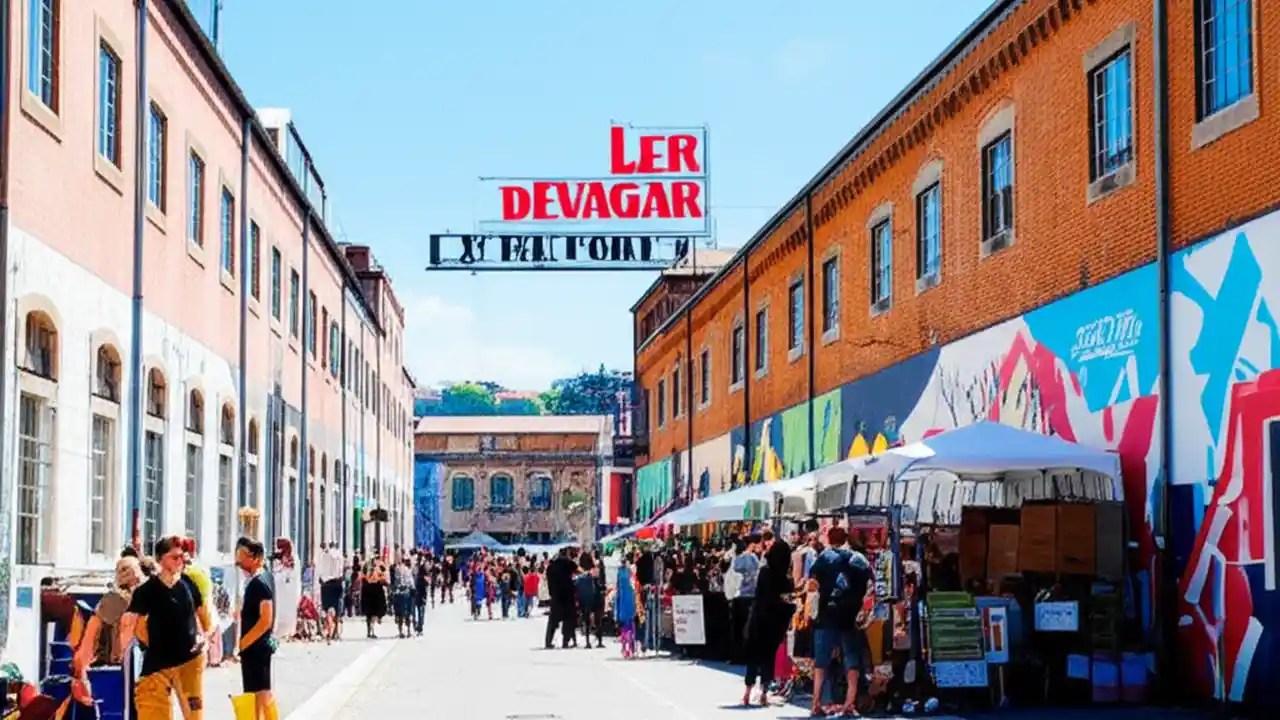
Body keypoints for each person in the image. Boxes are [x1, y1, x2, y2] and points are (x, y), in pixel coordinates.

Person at [126, 536, 208, 720]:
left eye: (182, 557)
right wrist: (157, 645)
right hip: (158, 664)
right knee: (153, 712)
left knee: (195, 714)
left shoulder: (188, 584)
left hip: (189, 661)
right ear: (160, 559)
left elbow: (203, 616)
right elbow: (138, 627)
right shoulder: (146, 591)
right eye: (174, 557)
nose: (180, 561)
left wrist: (205, 640)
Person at [808, 526, 874, 718]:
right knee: (851, 662)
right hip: (850, 618)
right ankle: (849, 704)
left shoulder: (824, 558)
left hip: (826, 615)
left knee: (821, 662)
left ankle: (816, 703)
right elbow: (871, 586)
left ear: (829, 539)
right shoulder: (859, 559)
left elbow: (812, 583)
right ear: (846, 539)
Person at [742, 535, 795, 707]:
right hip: (775, 621)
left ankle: (747, 692)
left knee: (753, 656)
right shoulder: (786, 578)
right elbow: (788, 599)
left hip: (759, 618)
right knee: (768, 657)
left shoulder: (764, 572)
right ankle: (764, 693)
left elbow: (760, 593)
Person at [236, 537, 277, 720]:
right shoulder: (261, 579)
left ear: (255, 559)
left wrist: (245, 642)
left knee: (260, 693)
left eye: (243, 556)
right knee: (258, 693)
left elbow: (265, 619)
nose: (239, 561)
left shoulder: (259, 583)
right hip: (256, 646)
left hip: (256, 647)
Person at [544, 548, 578, 648]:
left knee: (553, 620)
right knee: (568, 619)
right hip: (567, 595)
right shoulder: (569, 564)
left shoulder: (551, 567)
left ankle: (548, 642)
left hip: (555, 596)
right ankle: (565, 642)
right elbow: (577, 569)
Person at [317, 542, 345, 640]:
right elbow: (341, 571)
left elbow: (319, 571)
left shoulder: (323, 555)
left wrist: (321, 580)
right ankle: (335, 631)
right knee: (337, 608)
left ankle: (328, 630)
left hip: (326, 584)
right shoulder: (339, 555)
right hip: (336, 583)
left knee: (326, 608)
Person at [614, 558, 638, 658]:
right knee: (631, 624)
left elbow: (617, 586)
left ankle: (624, 648)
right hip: (630, 599)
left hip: (622, 599)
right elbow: (634, 586)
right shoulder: (630, 572)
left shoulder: (619, 572)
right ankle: (632, 648)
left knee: (624, 626)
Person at [362, 563, 389, 638]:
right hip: (376, 592)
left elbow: (363, 579)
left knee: (369, 614)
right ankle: (372, 630)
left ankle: (369, 631)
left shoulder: (366, 568)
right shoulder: (379, 569)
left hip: (367, 591)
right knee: (374, 612)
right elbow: (383, 581)